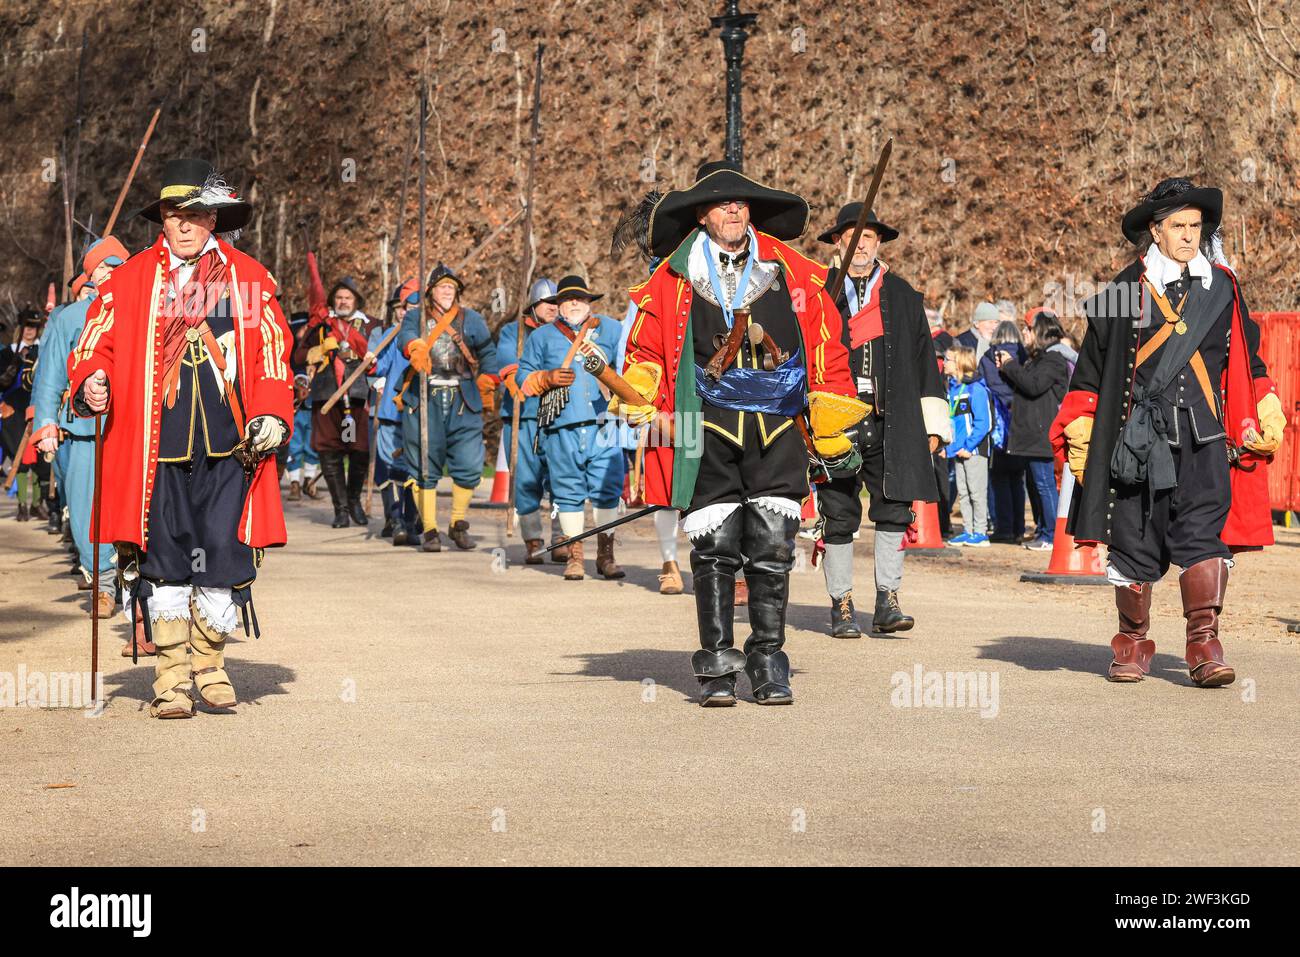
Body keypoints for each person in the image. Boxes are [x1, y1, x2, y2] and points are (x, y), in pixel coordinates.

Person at [613, 160, 863, 706]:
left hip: (777, 426)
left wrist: (828, 415)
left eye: (741, 201)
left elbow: (825, 343)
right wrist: (642, 391)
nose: (734, 208)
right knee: (715, 547)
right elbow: (647, 348)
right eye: (723, 202)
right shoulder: (672, 279)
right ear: (701, 216)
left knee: (773, 546)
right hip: (705, 427)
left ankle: (769, 658)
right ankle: (718, 663)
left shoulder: (792, 269)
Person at [68, 156, 293, 718]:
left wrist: (270, 412)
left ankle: (211, 667)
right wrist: (92, 378)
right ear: (162, 220)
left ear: (213, 219)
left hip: (228, 445)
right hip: (154, 447)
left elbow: (270, 353)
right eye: (175, 214)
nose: (186, 224)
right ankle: (169, 677)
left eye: (196, 214)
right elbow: (95, 344)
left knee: (221, 549)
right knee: (164, 555)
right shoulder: (131, 280)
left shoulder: (246, 278)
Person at [1053, 177, 1282, 687]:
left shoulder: (1222, 286)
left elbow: (1248, 356)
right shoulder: (1121, 290)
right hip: (1138, 440)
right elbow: (1091, 368)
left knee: (1203, 535)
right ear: (1155, 232)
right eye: (1177, 226)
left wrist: (1263, 402)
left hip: (1205, 439)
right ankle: (1132, 643)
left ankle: (1204, 645)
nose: (1188, 236)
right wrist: (1083, 421)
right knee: (1134, 535)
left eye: (1195, 226)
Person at [814, 203, 951, 637]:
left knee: (894, 509)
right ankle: (842, 605)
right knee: (838, 513)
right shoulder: (819, 291)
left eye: (869, 238)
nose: (861, 246)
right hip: (836, 420)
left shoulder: (903, 295)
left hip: (891, 420)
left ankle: (887, 600)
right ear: (839, 242)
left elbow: (925, 361)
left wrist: (933, 423)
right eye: (853, 238)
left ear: (877, 244)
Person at [30, 238, 132, 635]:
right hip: (83, 430)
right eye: (102, 270)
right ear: (92, 275)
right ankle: (103, 585)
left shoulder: (141, 311)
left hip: (131, 428)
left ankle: (138, 587)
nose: (110, 276)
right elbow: (50, 375)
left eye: (117, 268)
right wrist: (46, 424)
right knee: (89, 511)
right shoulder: (69, 318)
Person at [518, 275, 626, 580]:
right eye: (567, 299)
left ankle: (606, 556)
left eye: (580, 298)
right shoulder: (541, 338)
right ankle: (575, 556)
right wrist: (546, 378)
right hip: (560, 426)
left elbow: (629, 366)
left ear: (590, 302)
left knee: (608, 489)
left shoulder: (611, 329)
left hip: (603, 424)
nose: (574, 303)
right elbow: (522, 377)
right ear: (559, 305)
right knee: (567, 492)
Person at [395, 263, 499, 551]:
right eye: (442, 286)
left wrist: (489, 378)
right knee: (424, 465)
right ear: (430, 291)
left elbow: (488, 351)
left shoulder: (472, 318)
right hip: (424, 397)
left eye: (451, 287)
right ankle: (429, 529)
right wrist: (415, 347)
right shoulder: (415, 317)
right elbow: (405, 338)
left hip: (462, 399)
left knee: (468, 464)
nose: (446, 291)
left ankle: (457, 522)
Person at [294, 265, 376, 528]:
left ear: (356, 301)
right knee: (329, 452)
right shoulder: (320, 326)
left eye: (348, 298)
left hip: (357, 394)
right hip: (326, 394)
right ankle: (340, 509)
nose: (342, 301)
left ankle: (353, 502)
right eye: (339, 297)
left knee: (359, 451)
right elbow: (297, 356)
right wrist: (319, 349)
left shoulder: (370, 326)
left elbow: (379, 358)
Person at [996, 312, 1072, 550]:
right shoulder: (1037, 359)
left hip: (1042, 434)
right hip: (1032, 435)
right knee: (1035, 485)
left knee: (1044, 484)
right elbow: (1024, 385)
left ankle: (1051, 535)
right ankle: (1042, 530)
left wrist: (1009, 365)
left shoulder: (1054, 359)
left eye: (1028, 329)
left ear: (1040, 331)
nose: (1025, 334)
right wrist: (1006, 370)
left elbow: (1033, 385)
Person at [498, 277, 559, 564]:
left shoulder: (564, 333)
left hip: (558, 414)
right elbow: (510, 365)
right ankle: (533, 538)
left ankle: (563, 538)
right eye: (548, 303)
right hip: (523, 415)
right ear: (534, 304)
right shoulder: (514, 332)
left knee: (562, 477)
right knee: (525, 479)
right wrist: (516, 378)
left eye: (557, 303)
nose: (553, 308)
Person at [371, 279, 422, 545]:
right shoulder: (392, 333)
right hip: (393, 409)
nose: (407, 311)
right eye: (405, 306)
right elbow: (380, 366)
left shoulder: (432, 333)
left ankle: (413, 520)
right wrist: (369, 362)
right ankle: (397, 521)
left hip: (421, 411)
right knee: (392, 466)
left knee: (417, 467)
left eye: (414, 306)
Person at [983, 319, 1028, 543]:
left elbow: (989, 387)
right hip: (1021, 421)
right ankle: (1019, 527)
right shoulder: (1025, 356)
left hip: (999, 423)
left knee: (999, 478)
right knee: (1017, 479)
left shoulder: (988, 358)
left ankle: (1005, 527)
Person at [943, 345, 992, 546]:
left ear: (960, 363)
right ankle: (968, 529)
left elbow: (984, 423)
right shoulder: (952, 389)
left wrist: (969, 447)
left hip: (974, 451)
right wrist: (950, 448)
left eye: (948, 359)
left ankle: (981, 532)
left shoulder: (976, 389)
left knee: (977, 492)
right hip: (958, 450)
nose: (944, 363)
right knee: (963, 492)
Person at [282, 311, 322, 501]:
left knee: (312, 445)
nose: (306, 332)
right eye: (303, 328)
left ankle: (309, 481)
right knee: (295, 444)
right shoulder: (288, 351)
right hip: (294, 406)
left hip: (313, 405)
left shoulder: (315, 350)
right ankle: (295, 483)